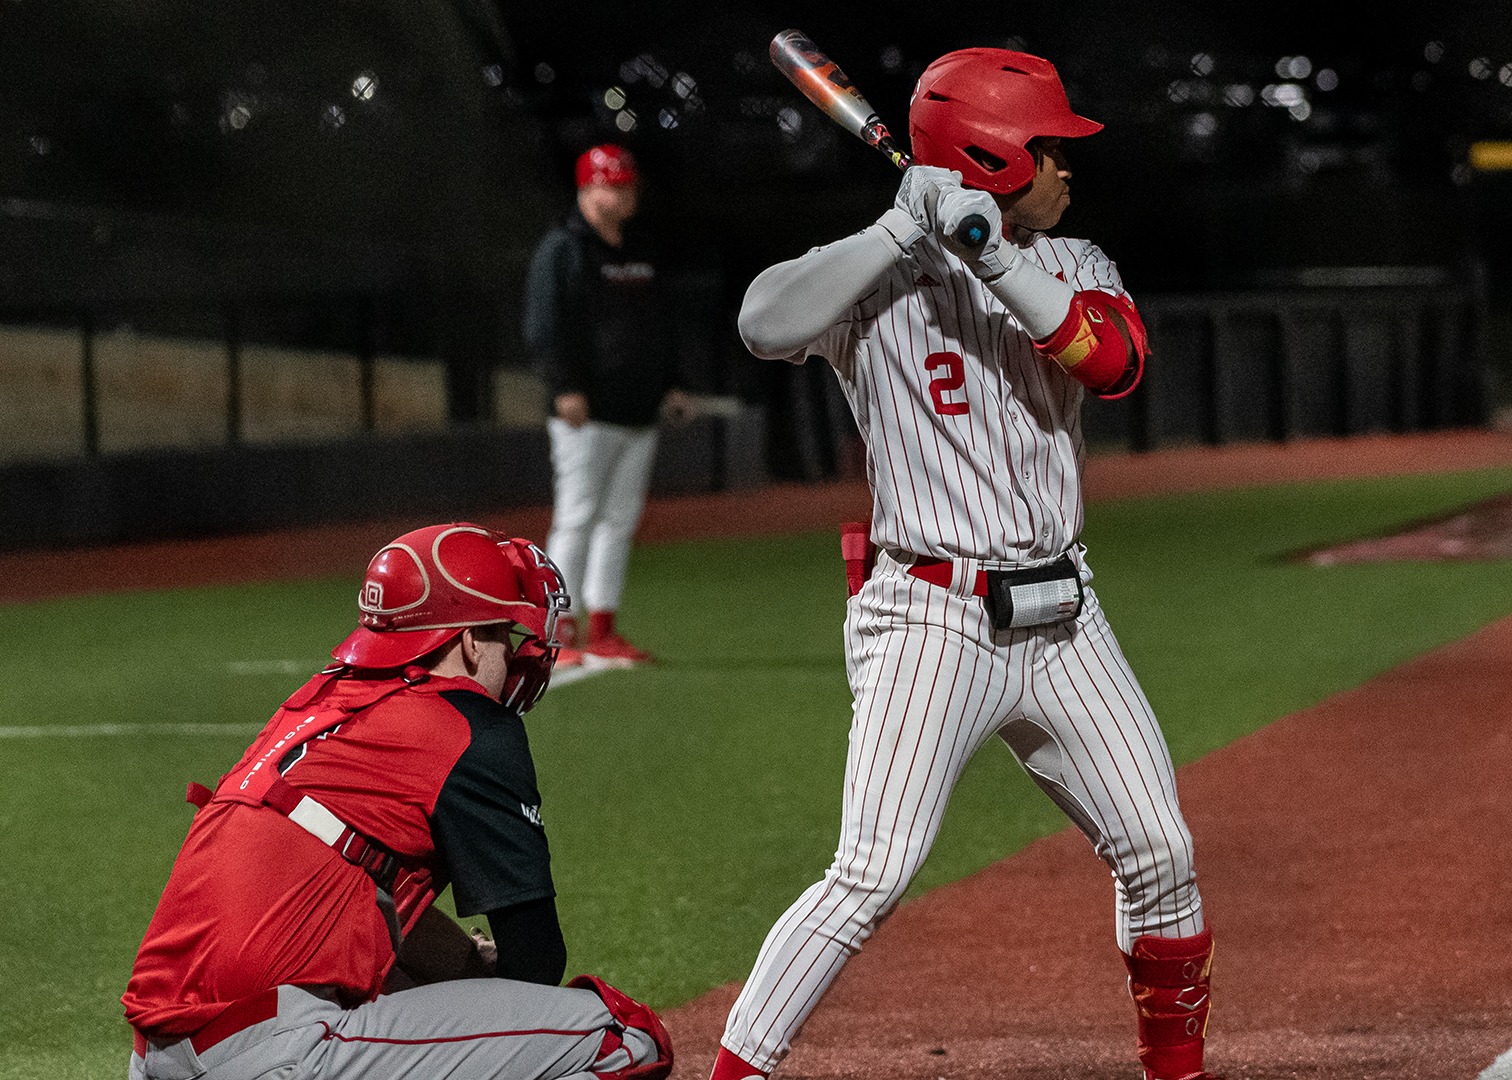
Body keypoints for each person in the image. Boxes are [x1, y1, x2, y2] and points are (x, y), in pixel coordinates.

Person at [718, 48, 1216, 1080]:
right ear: (992, 154)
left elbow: (1113, 364)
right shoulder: (877, 269)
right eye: (1047, 149)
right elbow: (762, 322)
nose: (1068, 167)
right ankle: (736, 1070)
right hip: (928, 619)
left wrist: (994, 255)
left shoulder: (1074, 263)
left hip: (1065, 618)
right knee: (871, 872)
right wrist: (901, 228)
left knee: (1161, 854)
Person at [123, 523, 672, 1080]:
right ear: (466, 641)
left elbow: (359, 881)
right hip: (279, 1052)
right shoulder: (465, 725)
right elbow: (535, 962)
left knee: (419, 979)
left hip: (160, 1058)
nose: (512, 654)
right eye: (502, 634)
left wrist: (458, 963)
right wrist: (474, 979)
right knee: (623, 1039)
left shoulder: (318, 706)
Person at [524, 144, 694, 668]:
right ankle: (558, 629)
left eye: (626, 185)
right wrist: (562, 387)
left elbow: (659, 326)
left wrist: (673, 383)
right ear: (587, 189)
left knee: (618, 521)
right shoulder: (563, 250)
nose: (623, 194)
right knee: (576, 516)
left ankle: (603, 627)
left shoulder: (638, 248)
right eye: (613, 185)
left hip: (637, 410)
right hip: (587, 412)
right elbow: (544, 325)